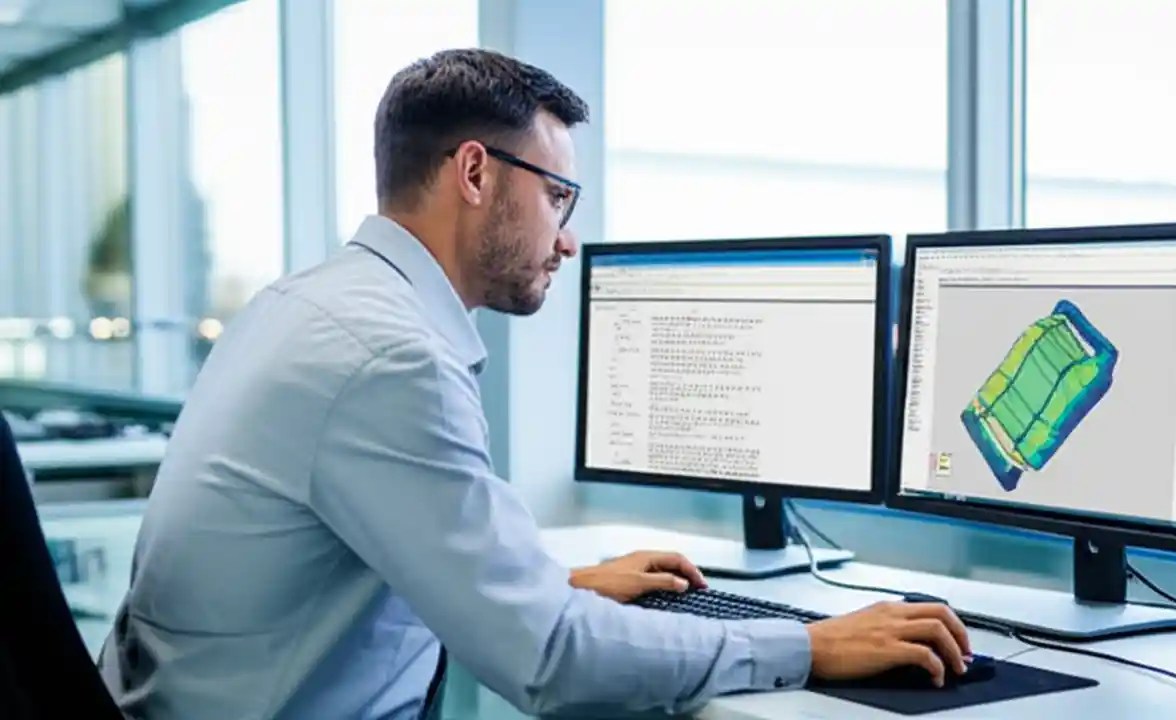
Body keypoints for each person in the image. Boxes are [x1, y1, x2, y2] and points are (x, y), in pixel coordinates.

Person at [98, 48, 971, 719]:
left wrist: (556, 584)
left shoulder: (306, 306)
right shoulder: (388, 357)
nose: (566, 241)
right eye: (560, 196)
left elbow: (375, 560)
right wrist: (806, 646)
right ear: (475, 173)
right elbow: (548, 660)